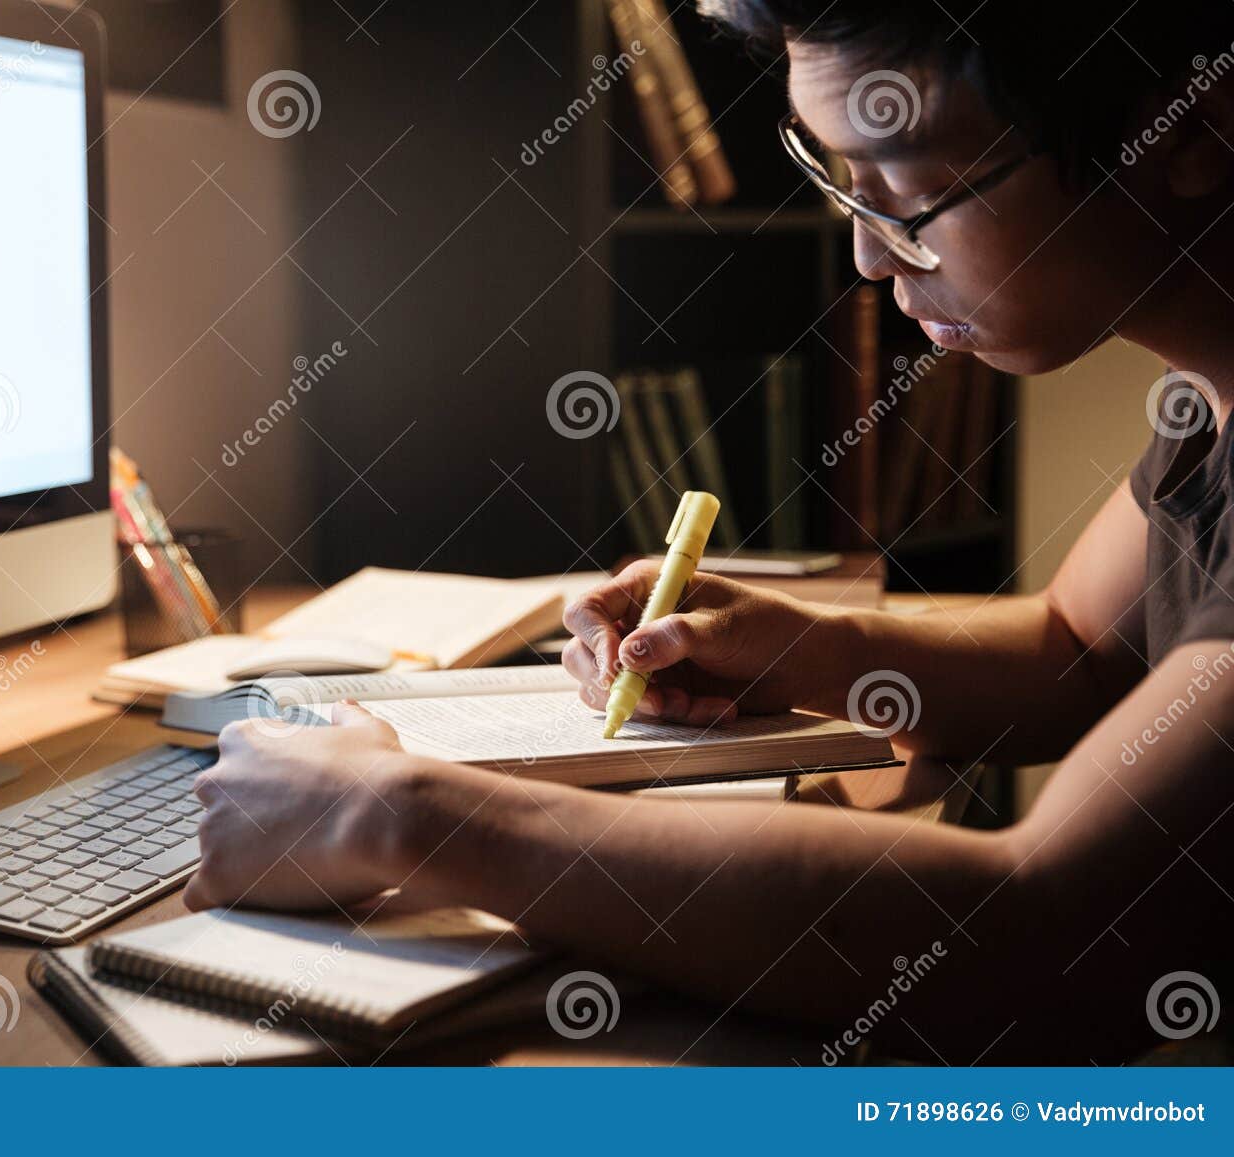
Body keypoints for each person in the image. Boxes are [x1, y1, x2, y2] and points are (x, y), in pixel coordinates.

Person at [186, 0, 1234, 1062]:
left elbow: (1040, 937)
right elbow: (1081, 649)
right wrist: (799, 643)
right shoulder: (1205, 396)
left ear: (1192, 129)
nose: (869, 257)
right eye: (836, 178)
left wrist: (397, 815)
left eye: (910, 194)